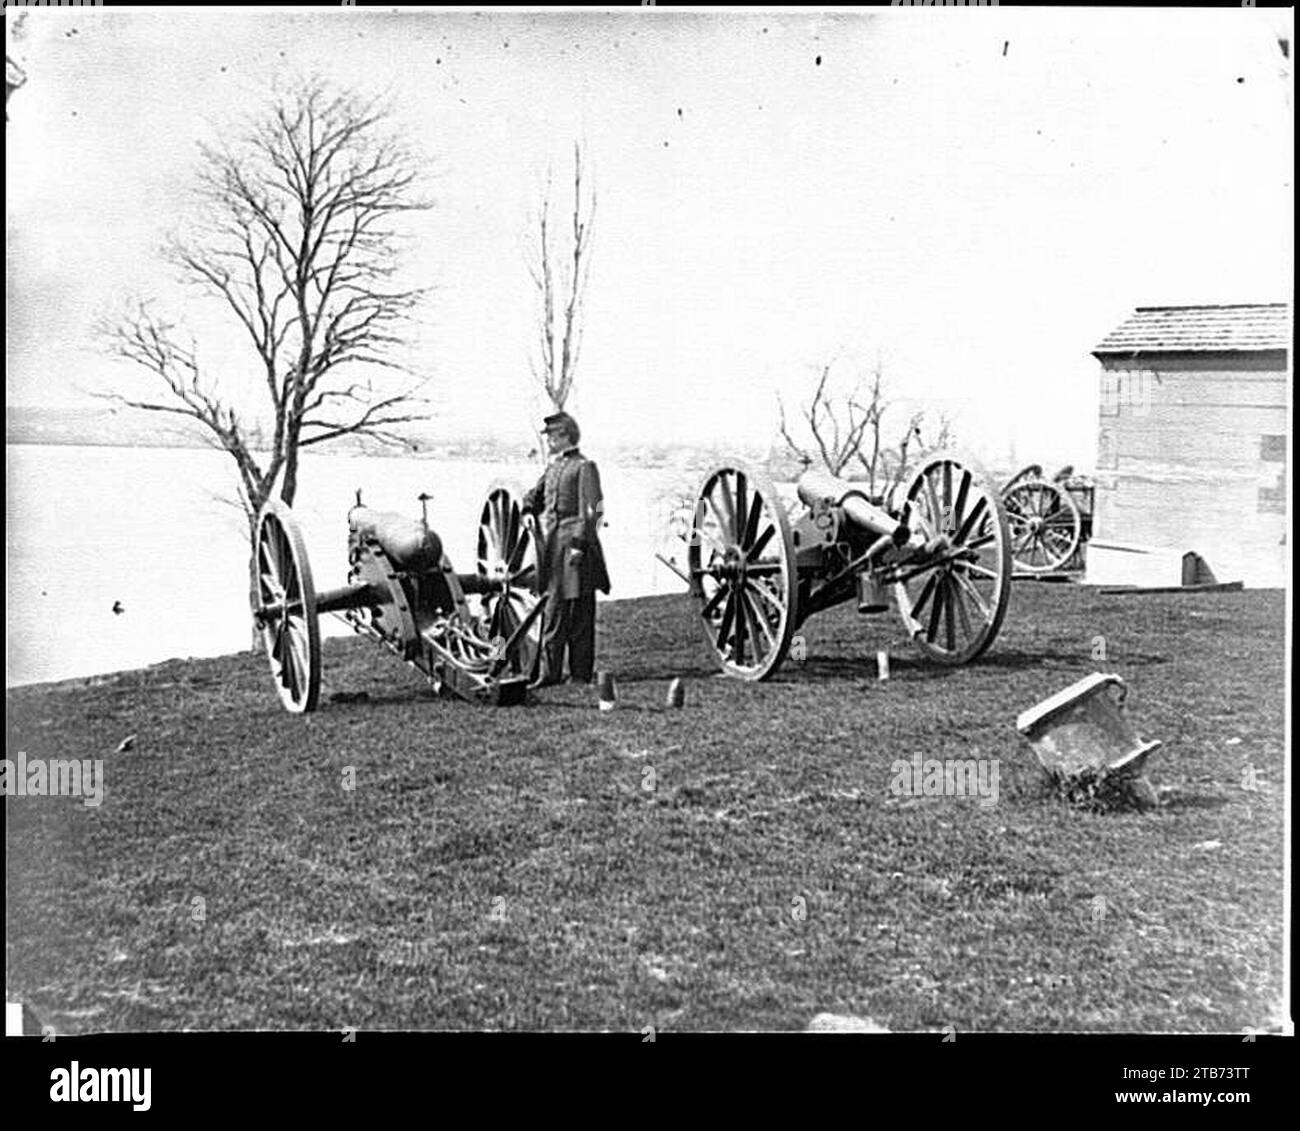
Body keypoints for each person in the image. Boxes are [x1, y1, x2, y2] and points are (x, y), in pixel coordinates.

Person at [522, 411, 611, 687]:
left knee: (581, 613)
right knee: (555, 608)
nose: (548, 441)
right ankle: (550, 673)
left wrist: (578, 545)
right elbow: (533, 496)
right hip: (553, 549)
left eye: (551, 436)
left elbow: (594, 510)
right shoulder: (554, 468)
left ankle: (580, 674)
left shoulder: (585, 467)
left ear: (565, 436)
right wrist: (527, 510)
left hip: (577, 549)